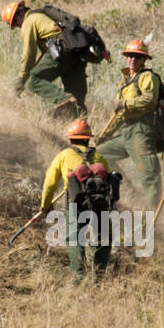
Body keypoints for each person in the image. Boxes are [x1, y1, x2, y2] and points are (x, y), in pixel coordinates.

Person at [41, 118, 115, 282]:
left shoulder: (64, 155)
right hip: (100, 203)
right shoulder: (99, 157)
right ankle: (99, 278)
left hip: (77, 203)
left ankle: (78, 278)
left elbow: (49, 184)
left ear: (70, 138)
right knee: (103, 238)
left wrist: (45, 205)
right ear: (88, 138)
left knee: (75, 237)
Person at [98, 39, 164, 205]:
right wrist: (105, 135)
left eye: (137, 57)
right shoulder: (126, 82)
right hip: (126, 132)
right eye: (130, 56)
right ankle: (126, 187)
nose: (133, 60)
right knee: (99, 155)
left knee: (149, 175)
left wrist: (125, 103)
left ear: (144, 60)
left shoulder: (147, 77)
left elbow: (150, 100)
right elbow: (119, 115)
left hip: (141, 131)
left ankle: (155, 215)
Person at [2, 0, 91, 118]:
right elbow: (43, 54)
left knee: (32, 80)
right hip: (77, 53)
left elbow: (29, 54)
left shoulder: (29, 21)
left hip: (63, 51)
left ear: (20, 13)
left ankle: (64, 99)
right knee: (77, 102)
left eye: (15, 22)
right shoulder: (43, 17)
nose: (17, 26)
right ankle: (83, 128)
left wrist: (23, 78)